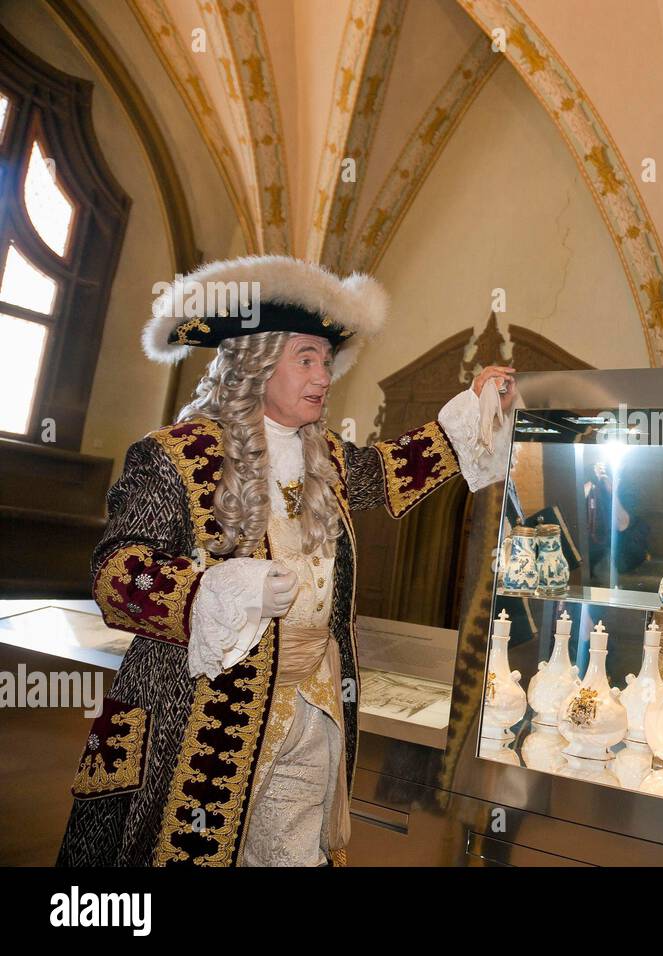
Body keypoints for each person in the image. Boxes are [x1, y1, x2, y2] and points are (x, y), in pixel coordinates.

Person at [56, 255, 517, 867]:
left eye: (327, 362)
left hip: (313, 706)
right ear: (256, 360)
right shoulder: (172, 456)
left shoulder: (324, 454)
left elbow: (390, 472)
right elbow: (117, 577)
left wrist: (475, 405)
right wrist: (221, 591)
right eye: (307, 359)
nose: (323, 375)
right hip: (199, 718)